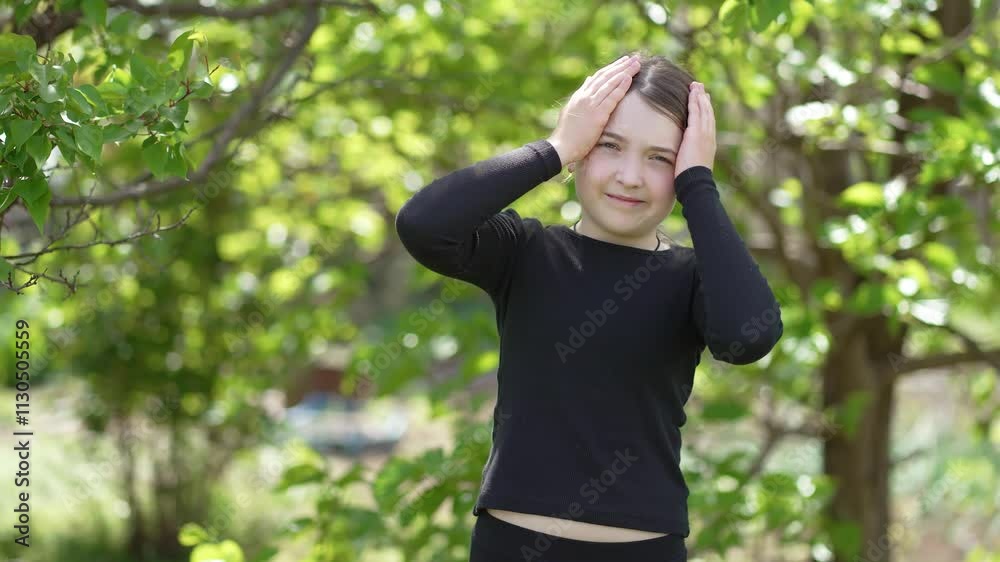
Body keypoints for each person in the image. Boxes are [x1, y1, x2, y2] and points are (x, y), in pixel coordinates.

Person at [395, 51, 784, 562]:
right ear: (583, 149)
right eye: (610, 145)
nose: (629, 176)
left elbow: (749, 336)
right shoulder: (524, 252)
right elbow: (424, 225)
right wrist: (556, 147)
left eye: (660, 158)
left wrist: (699, 185)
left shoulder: (691, 278)